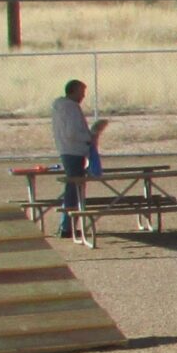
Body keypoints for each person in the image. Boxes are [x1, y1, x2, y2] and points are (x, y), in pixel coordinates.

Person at [49, 79, 109, 240]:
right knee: (74, 188)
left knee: (74, 188)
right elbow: (72, 133)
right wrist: (90, 137)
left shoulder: (62, 108)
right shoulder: (70, 108)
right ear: (73, 91)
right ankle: (67, 226)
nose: (83, 96)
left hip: (69, 150)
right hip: (74, 151)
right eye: (81, 92)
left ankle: (68, 225)